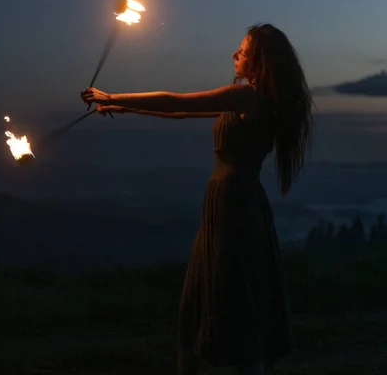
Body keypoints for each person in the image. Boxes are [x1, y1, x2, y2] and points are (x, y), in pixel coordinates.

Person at [81, 23, 315, 375]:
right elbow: (181, 112)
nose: (234, 55)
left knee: (232, 294)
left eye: (243, 51)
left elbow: (177, 100)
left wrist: (112, 97)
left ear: (260, 61)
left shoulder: (248, 97)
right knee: (211, 294)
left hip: (234, 204)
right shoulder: (249, 99)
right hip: (231, 202)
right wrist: (127, 109)